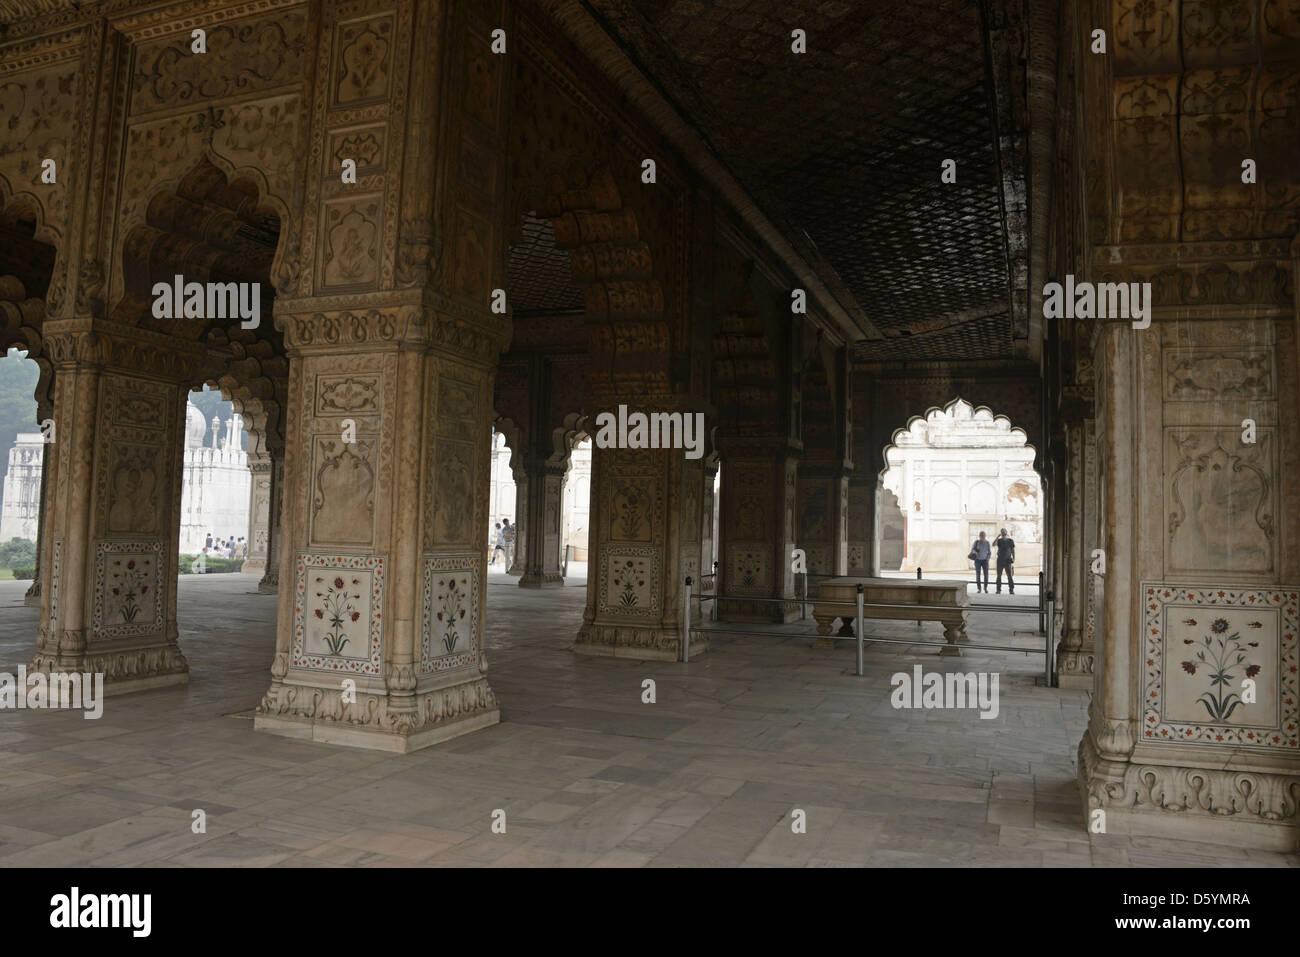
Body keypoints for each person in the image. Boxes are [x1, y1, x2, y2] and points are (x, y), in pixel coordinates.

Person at [995, 527, 1016, 595]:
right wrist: (997, 537)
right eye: (1002, 531)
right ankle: (998, 590)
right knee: (999, 576)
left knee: (1009, 576)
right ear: (1001, 533)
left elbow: (1013, 550)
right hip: (1000, 560)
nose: (1003, 532)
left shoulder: (1010, 540)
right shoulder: (999, 540)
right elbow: (993, 544)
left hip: (1007, 560)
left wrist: (1014, 558)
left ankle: (1011, 590)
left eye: (1004, 531)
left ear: (1006, 532)